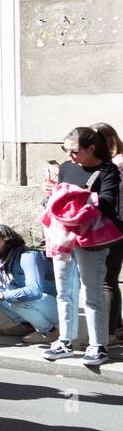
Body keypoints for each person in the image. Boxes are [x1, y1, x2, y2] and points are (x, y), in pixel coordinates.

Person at [41, 126, 121, 367]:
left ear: (92, 149)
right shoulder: (66, 168)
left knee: (93, 290)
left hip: (90, 237)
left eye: (74, 151)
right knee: (64, 290)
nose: (69, 156)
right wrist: (53, 195)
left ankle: (98, 344)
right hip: (63, 235)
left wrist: (71, 197)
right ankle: (65, 340)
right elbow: (54, 199)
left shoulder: (107, 170)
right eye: (66, 150)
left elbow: (107, 204)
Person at [0, 224, 58, 343]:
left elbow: (34, 290)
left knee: (14, 301)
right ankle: (27, 325)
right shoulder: (7, 258)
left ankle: (50, 332)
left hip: (56, 305)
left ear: (8, 242)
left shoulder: (29, 256)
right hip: (40, 302)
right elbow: (14, 278)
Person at [93, 122, 123, 346]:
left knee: (106, 281)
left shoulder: (116, 164)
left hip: (114, 225)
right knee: (109, 280)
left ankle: (109, 334)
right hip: (112, 224)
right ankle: (117, 327)